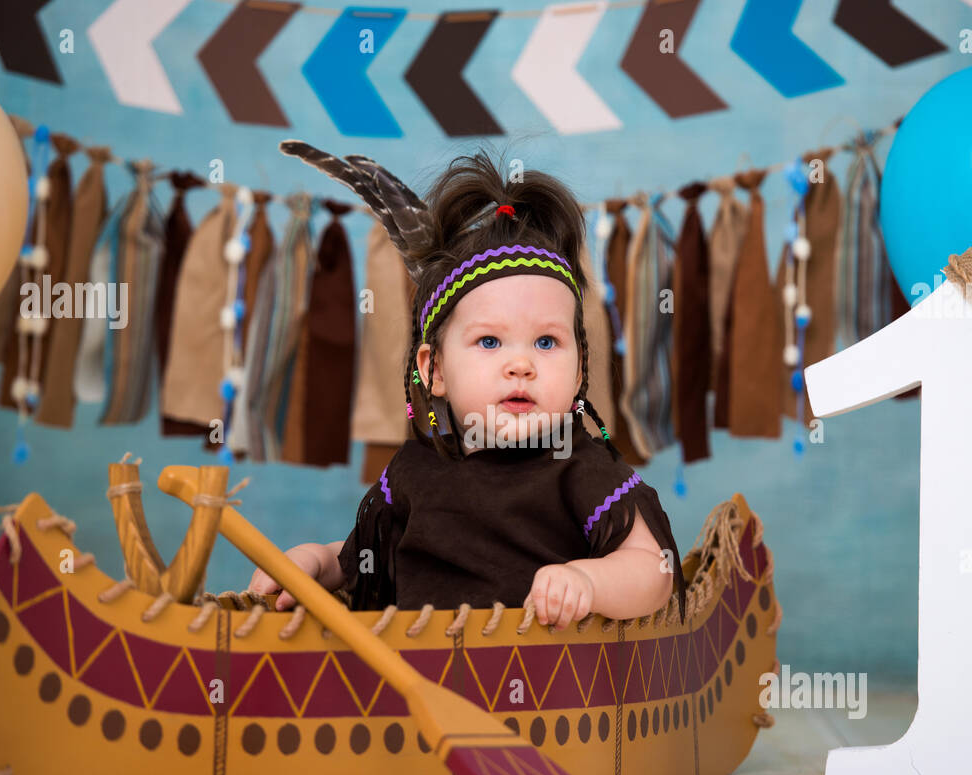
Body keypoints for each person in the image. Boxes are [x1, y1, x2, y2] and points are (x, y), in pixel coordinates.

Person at [248, 144, 687, 631]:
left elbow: (655, 569)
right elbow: (363, 559)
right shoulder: (416, 469)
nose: (520, 364)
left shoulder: (582, 469)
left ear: (581, 368)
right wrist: (315, 562)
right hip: (420, 682)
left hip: (544, 691)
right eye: (489, 341)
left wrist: (589, 580)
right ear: (433, 368)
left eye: (546, 341)